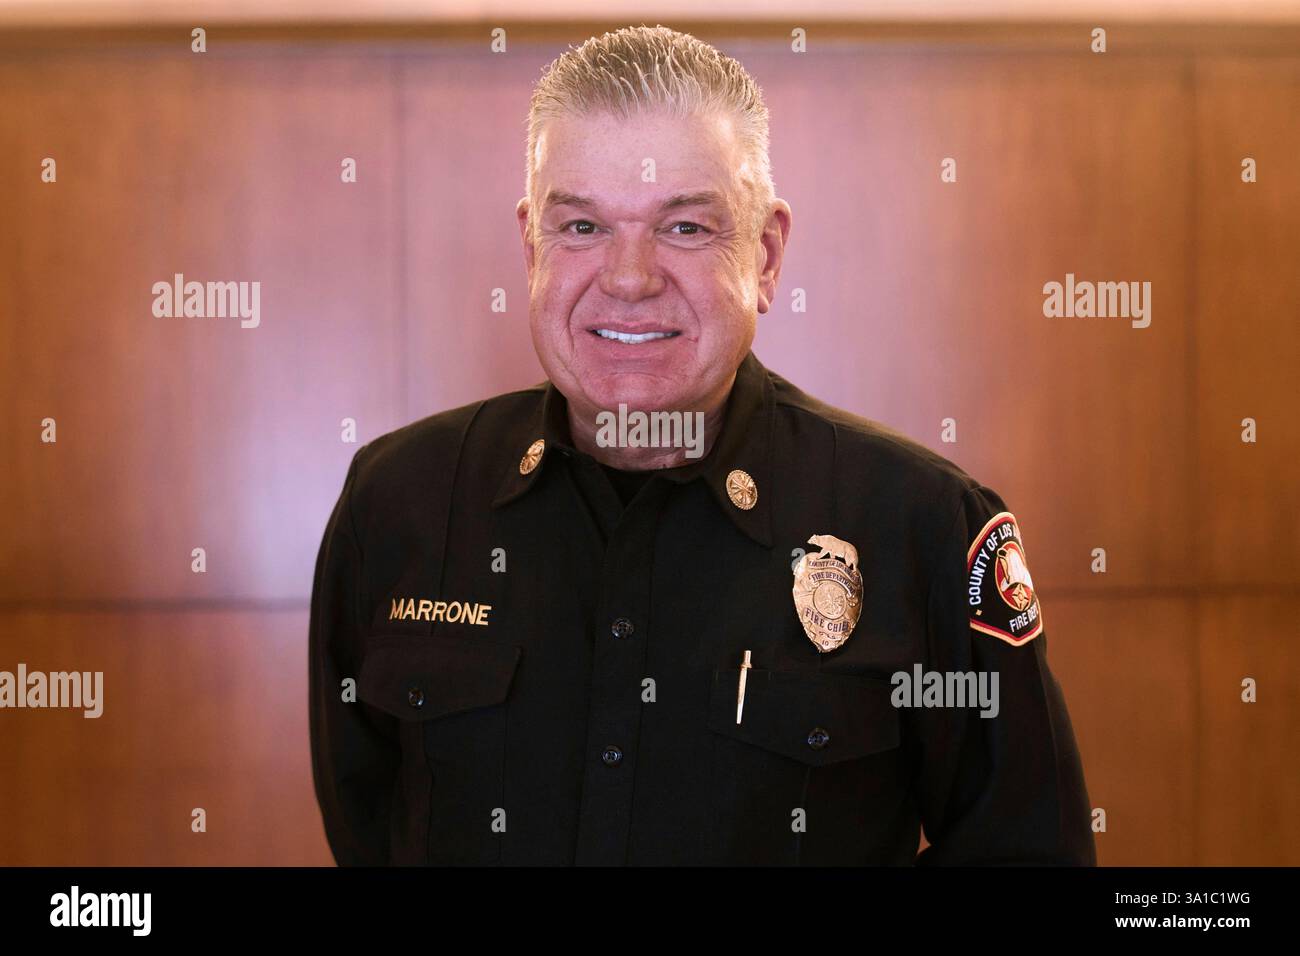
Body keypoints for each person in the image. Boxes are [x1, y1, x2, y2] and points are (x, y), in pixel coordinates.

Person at [308, 24, 1095, 866]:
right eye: (581, 227)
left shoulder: (923, 526)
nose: (629, 276)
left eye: (684, 227)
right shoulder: (399, 504)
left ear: (765, 253)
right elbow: (371, 827)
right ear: (531, 244)